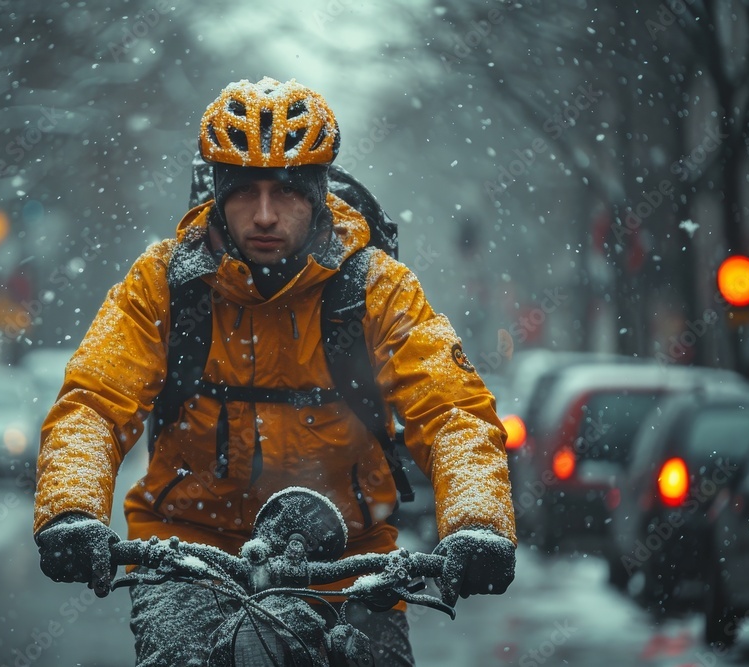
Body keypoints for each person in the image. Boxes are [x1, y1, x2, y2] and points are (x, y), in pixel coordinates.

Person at [34, 76, 517, 665]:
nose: (264, 215)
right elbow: (93, 403)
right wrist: (72, 510)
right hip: (191, 560)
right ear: (216, 196)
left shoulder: (375, 290)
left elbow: (452, 411)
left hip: (347, 564)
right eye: (244, 192)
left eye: (285, 192)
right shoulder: (163, 286)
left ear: (316, 195)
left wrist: (478, 523)